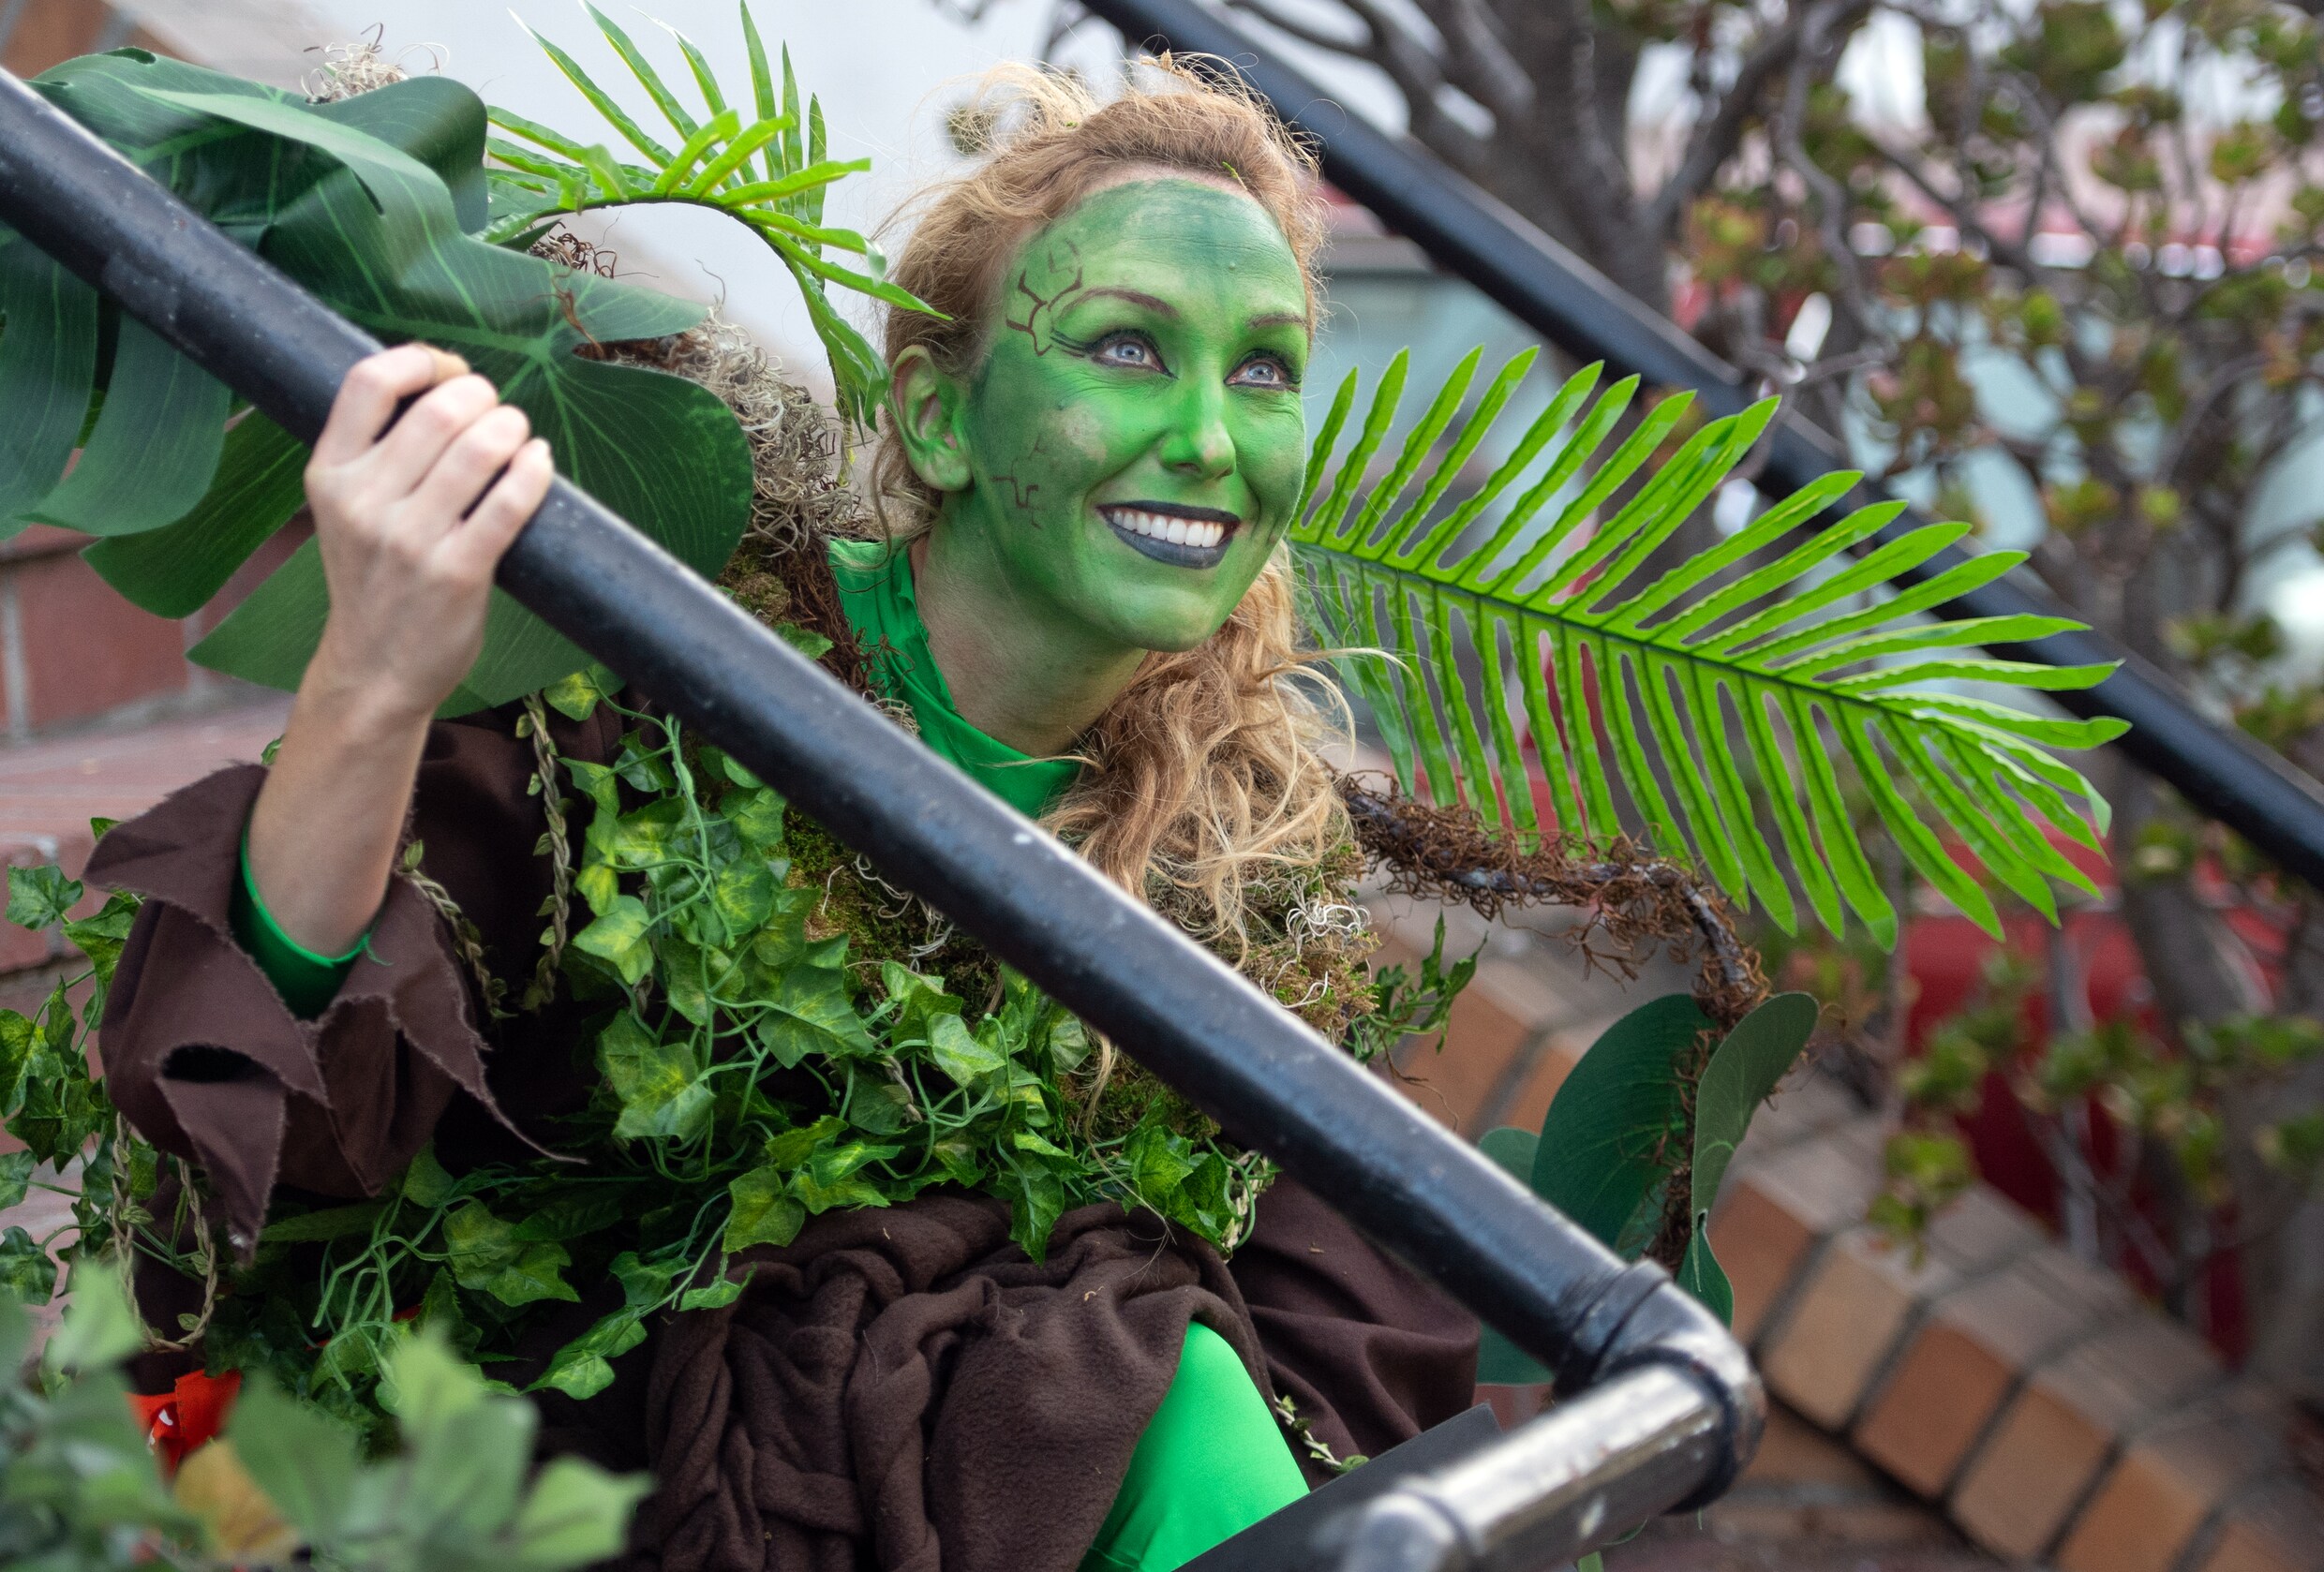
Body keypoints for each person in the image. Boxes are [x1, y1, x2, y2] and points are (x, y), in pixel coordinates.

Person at [87, 62, 1476, 1572]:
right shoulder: (674, 684)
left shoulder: (1248, 847)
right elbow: (261, 1132)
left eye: (1265, 369)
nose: (1213, 437)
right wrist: (374, 679)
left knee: (1161, 1365)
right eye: (1128, 347)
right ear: (937, 419)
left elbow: (1336, 1340)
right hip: (507, 1459)